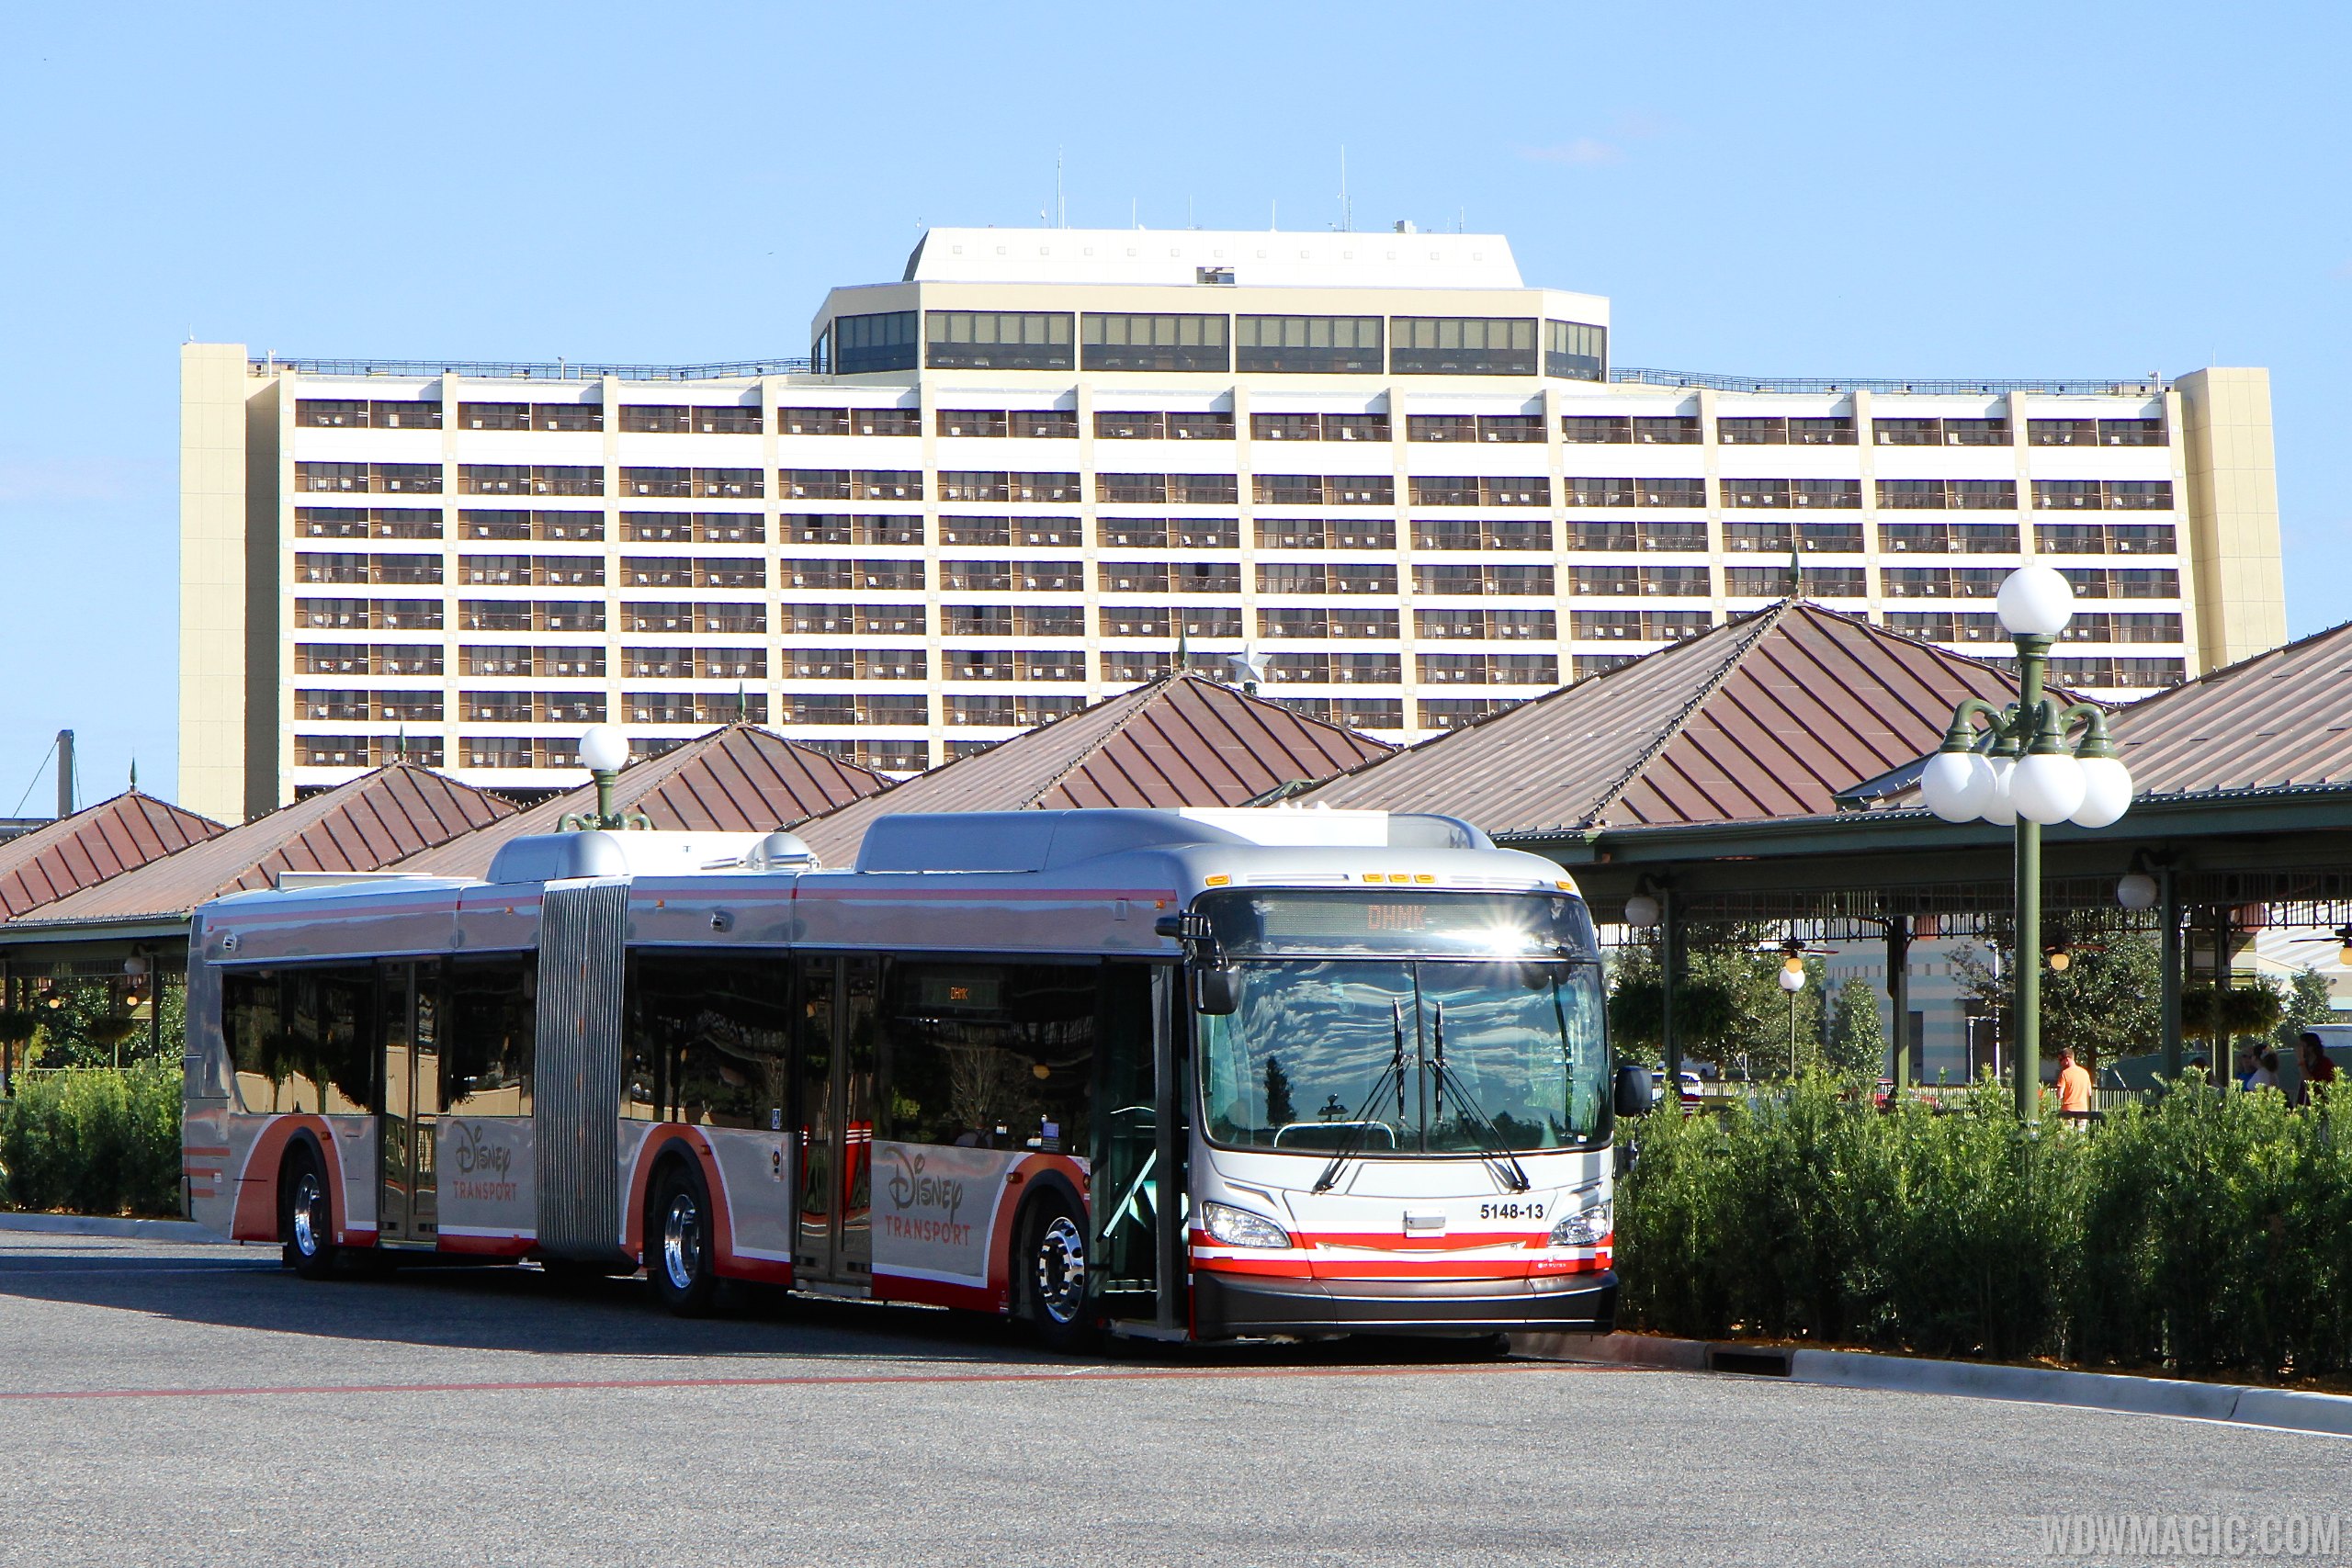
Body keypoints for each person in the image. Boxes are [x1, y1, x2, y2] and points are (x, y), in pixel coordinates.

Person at [2296, 1033, 2338, 1106]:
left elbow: (2310, 1084)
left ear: (2310, 1047)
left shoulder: (2325, 1063)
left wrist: (2300, 1061)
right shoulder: (2307, 1064)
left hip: (2320, 1106)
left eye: (2301, 1046)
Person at [2055, 1048, 2093, 1118]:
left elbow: (2059, 1095)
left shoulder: (2064, 1074)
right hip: (2083, 1110)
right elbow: (2089, 1093)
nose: (2060, 1063)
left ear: (2067, 1059)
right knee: (2081, 1129)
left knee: (2067, 1129)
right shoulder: (2085, 1073)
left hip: (2068, 1110)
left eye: (2060, 1060)